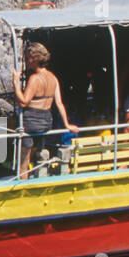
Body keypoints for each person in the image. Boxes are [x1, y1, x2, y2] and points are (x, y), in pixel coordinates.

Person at [14, 41, 79, 174]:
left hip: (31, 122)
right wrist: (67, 124)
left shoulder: (35, 79)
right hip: (46, 122)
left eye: (27, 58)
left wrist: (15, 83)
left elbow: (23, 102)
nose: (26, 61)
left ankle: (22, 183)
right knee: (33, 155)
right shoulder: (53, 78)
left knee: (23, 163)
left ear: (33, 59)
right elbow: (59, 103)